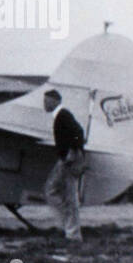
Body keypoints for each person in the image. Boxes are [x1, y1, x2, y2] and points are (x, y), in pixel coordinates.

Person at [42, 88, 85, 242]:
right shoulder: (61, 115)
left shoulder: (63, 115)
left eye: (46, 101)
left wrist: (73, 152)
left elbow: (79, 132)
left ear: (56, 101)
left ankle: (72, 233)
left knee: (57, 192)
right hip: (68, 159)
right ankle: (71, 230)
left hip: (69, 160)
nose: (44, 104)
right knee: (58, 192)